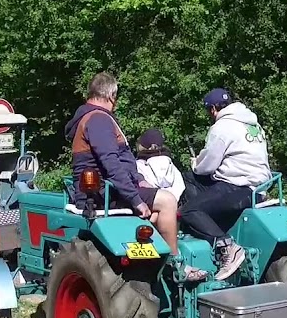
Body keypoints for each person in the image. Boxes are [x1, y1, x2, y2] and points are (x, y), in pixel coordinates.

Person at [65, 72, 207, 281]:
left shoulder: (91, 118)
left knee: (156, 215)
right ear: (111, 95)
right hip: (104, 192)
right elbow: (111, 164)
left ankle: (157, 261)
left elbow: (119, 164)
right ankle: (176, 265)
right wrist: (136, 199)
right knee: (167, 201)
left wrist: (140, 180)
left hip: (107, 189)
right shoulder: (98, 119)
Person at [181, 87, 272, 281]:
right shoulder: (253, 124)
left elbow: (207, 166)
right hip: (259, 188)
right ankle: (215, 227)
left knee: (188, 209)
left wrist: (195, 162)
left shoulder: (222, 126)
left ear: (213, 109)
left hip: (236, 186)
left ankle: (226, 246)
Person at [135, 128, 185, 203]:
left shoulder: (139, 165)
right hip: (174, 206)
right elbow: (180, 187)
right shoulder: (171, 165)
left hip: (150, 205)